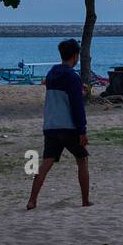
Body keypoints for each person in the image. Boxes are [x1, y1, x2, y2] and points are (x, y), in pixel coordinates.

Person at [27, 38, 92, 210]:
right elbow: (77, 106)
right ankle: (85, 201)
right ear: (75, 56)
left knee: (46, 163)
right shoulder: (72, 77)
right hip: (68, 127)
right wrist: (82, 131)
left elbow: (61, 96)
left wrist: (78, 89)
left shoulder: (51, 74)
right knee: (82, 160)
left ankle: (32, 200)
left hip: (50, 125)